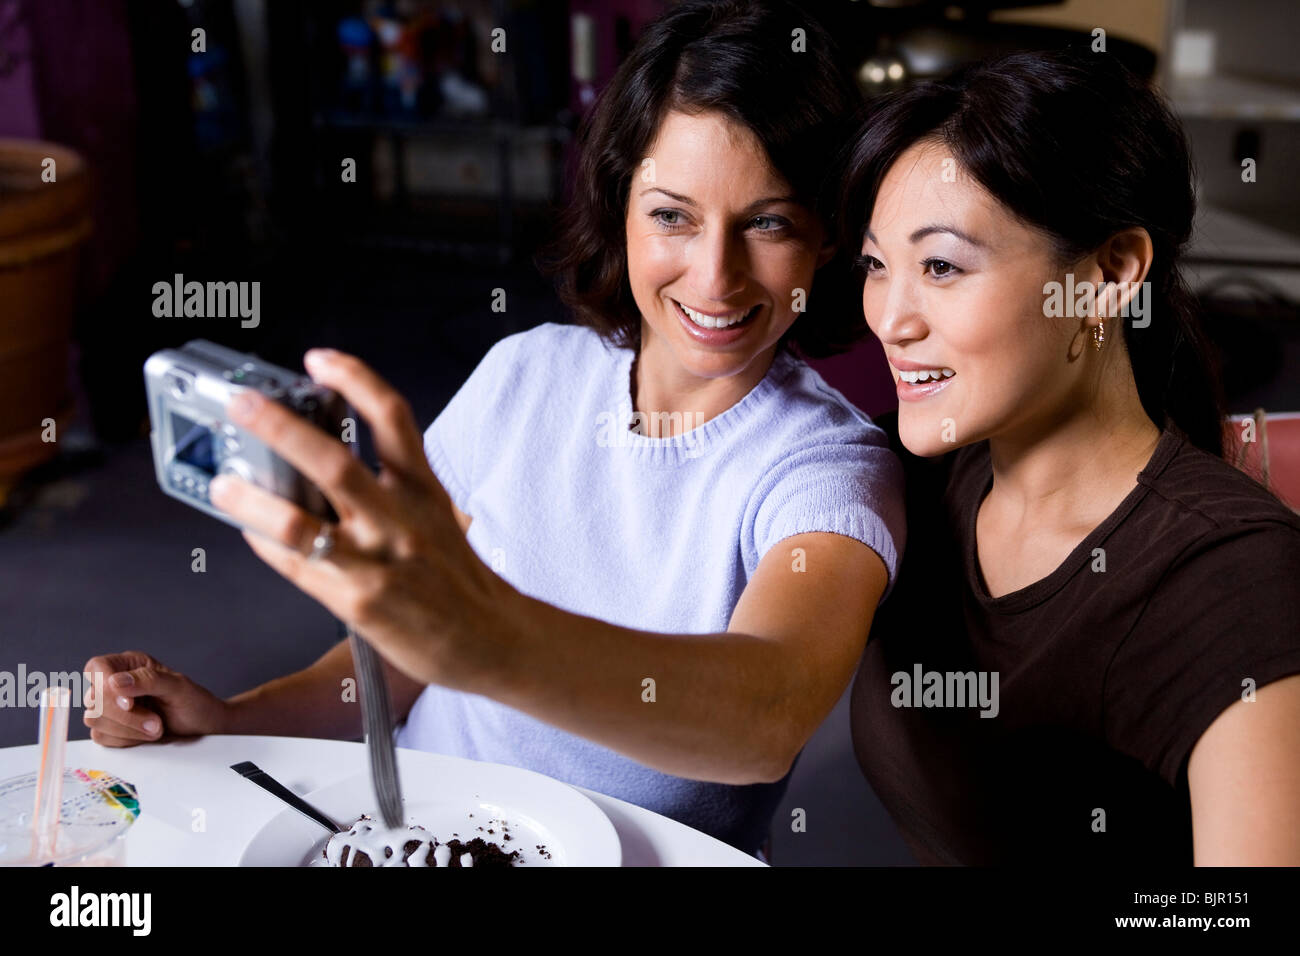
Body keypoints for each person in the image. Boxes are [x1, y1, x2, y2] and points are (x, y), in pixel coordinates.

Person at [83, 0, 905, 858]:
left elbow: (762, 718)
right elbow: (392, 666)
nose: (714, 274)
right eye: (672, 215)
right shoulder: (526, 375)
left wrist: (485, 641)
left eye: (768, 222)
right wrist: (227, 719)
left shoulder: (830, 467)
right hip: (415, 840)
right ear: (620, 202)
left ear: (826, 241)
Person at [841, 49, 1300, 865]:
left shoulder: (1229, 577)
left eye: (941, 266)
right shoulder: (914, 474)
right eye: (879, 267)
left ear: (1111, 273)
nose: (891, 318)